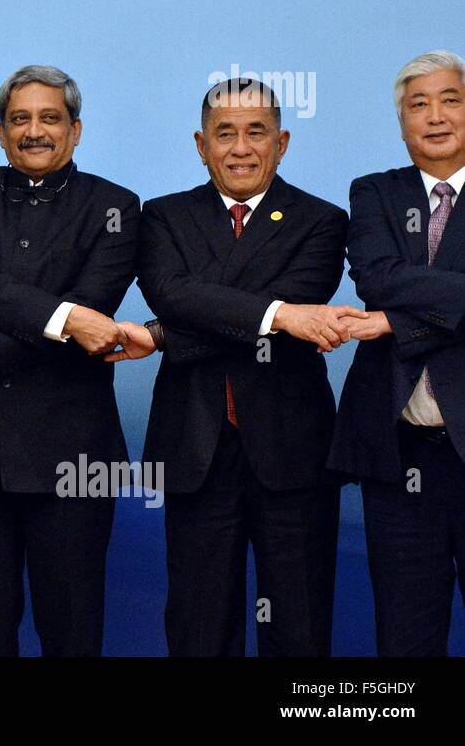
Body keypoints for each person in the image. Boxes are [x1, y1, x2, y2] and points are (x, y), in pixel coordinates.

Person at [112, 77, 359, 656]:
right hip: (195, 448)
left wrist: (166, 335)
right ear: (202, 145)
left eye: (257, 133)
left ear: (283, 142)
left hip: (293, 450)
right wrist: (277, 314)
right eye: (226, 134)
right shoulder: (163, 217)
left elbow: (195, 309)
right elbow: (171, 293)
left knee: (299, 625)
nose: (241, 148)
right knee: (198, 626)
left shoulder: (322, 221)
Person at [0, 64, 139, 656]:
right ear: (0, 130)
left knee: (71, 629)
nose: (34, 131)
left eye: (49, 118)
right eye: (20, 119)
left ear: (76, 130)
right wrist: (66, 319)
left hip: (74, 453)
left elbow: (94, 318)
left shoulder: (117, 206)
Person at [329, 50, 465, 656]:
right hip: (399, 451)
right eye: (418, 104)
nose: (435, 116)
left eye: (450, 100)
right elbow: (377, 278)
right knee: (407, 636)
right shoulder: (376, 192)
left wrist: (399, 325)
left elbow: (394, 301)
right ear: (402, 122)